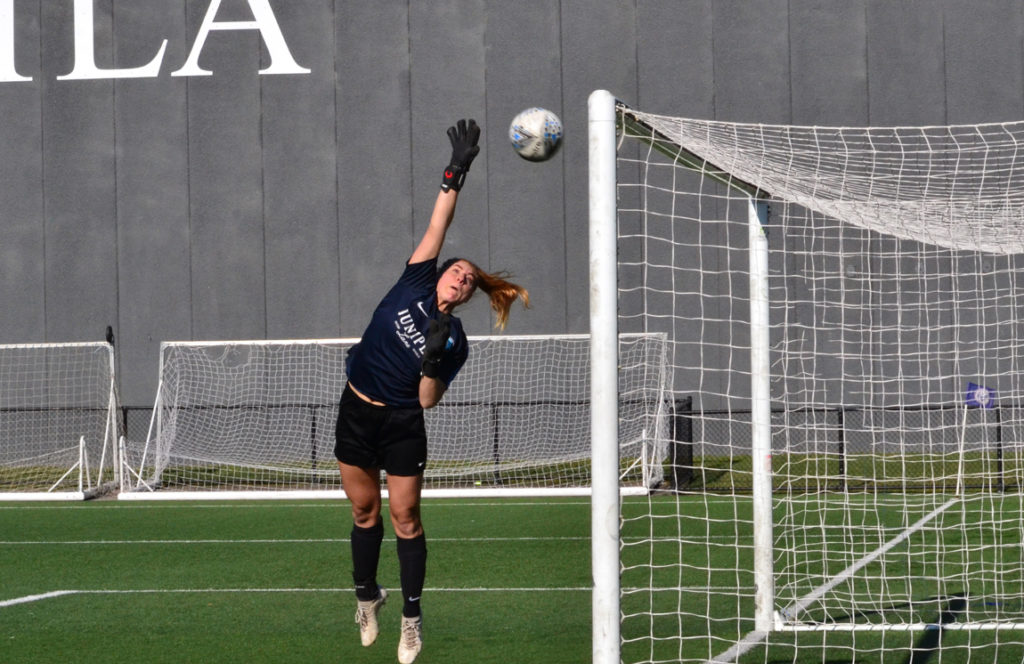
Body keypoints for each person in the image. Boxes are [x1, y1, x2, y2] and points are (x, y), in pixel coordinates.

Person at [335, 118, 529, 664]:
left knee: (405, 519)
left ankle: (412, 619)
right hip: (356, 408)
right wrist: (456, 171)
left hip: (401, 423)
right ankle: (367, 597)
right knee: (364, 514)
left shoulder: (457, 340)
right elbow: (439, 223)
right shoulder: (416, 279)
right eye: (457, 272)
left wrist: (432, 354)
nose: (461, 279)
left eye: (468, 280)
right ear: (440, 274)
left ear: (467, 296)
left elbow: (425, 400)